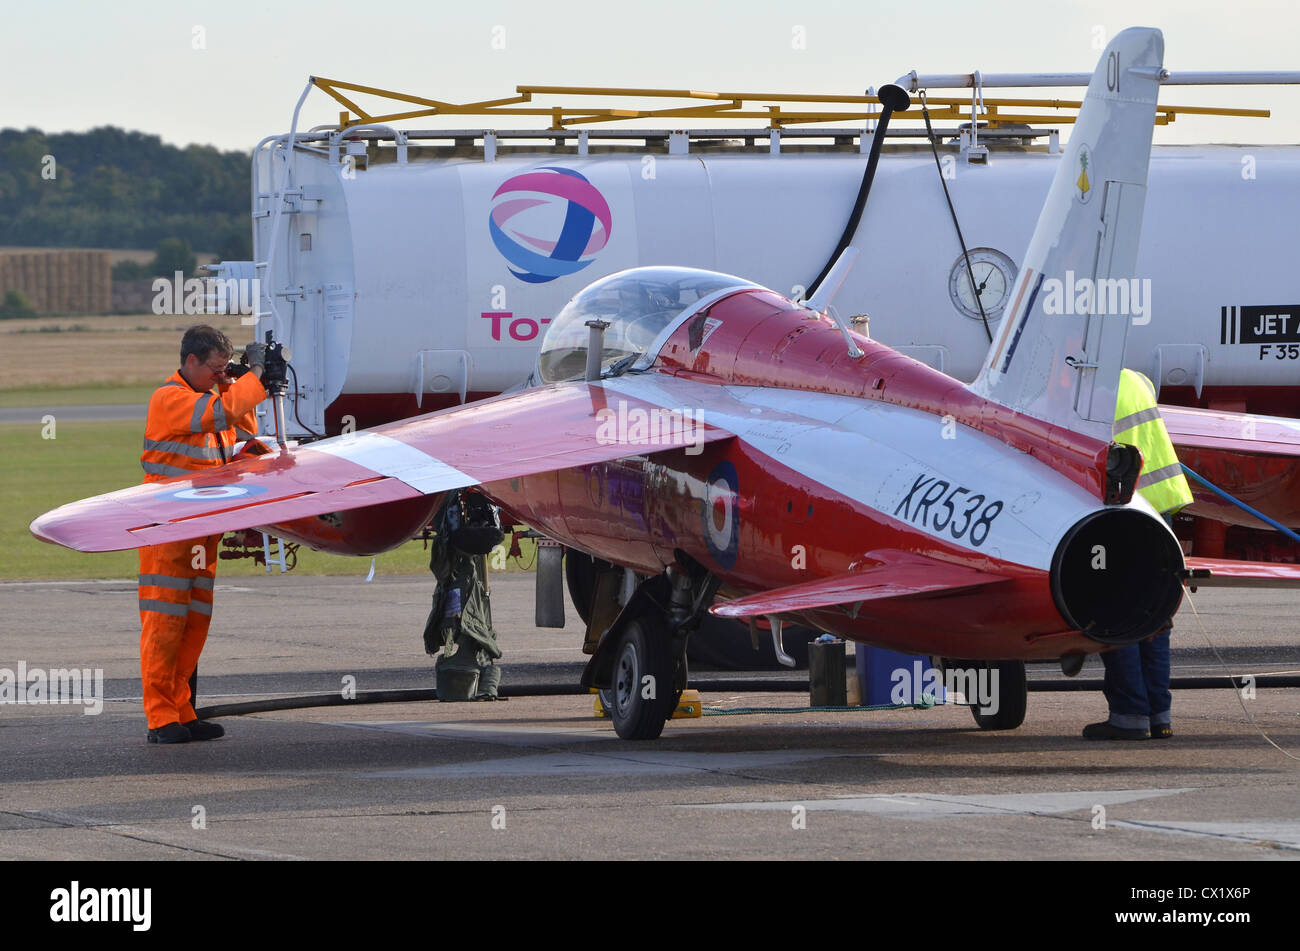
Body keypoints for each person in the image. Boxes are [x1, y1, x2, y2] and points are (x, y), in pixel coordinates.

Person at [138, 325, 266, 744]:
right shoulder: (170, 398)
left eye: (223, 369)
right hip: (168, 531)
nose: (219, 376)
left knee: (193, 624)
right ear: (190, 361)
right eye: (214, 368)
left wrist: (236, 382)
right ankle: (160, 719)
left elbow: (243, 436)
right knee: (164, 625)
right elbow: (216, 415)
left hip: (203, 531)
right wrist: (256, 377)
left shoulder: (216, 398)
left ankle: (183, 710)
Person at [1083, 369, 1194, 741]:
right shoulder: (1136, 379)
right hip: (1160, 502)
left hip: (1121, 505)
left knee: (1117, 610)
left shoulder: (1077, 381)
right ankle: (1159, 716)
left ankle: (1130, 715)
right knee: (1153, 613)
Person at [422, 491, 503, 701]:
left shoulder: (456, 577)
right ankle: (485, 688)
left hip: (463, 588)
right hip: (462, 581)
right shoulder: (457, 576)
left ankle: (484, 688)